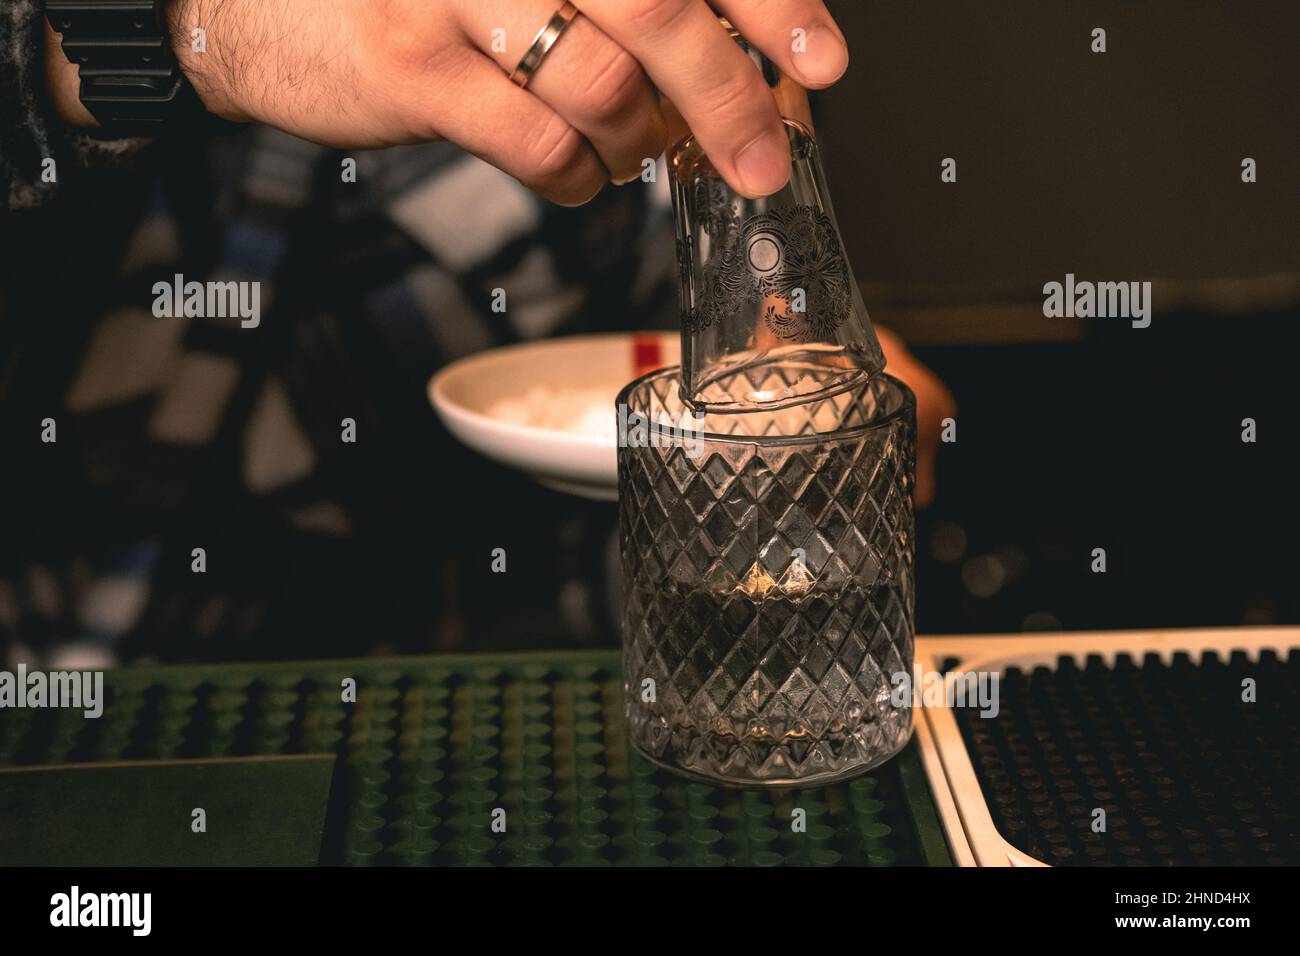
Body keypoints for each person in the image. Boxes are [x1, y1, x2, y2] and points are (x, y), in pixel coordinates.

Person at [1, 0, 953, 665]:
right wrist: (199, 28)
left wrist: (810, 369)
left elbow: (733, 292)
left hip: (549, 698)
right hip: (94, 716)